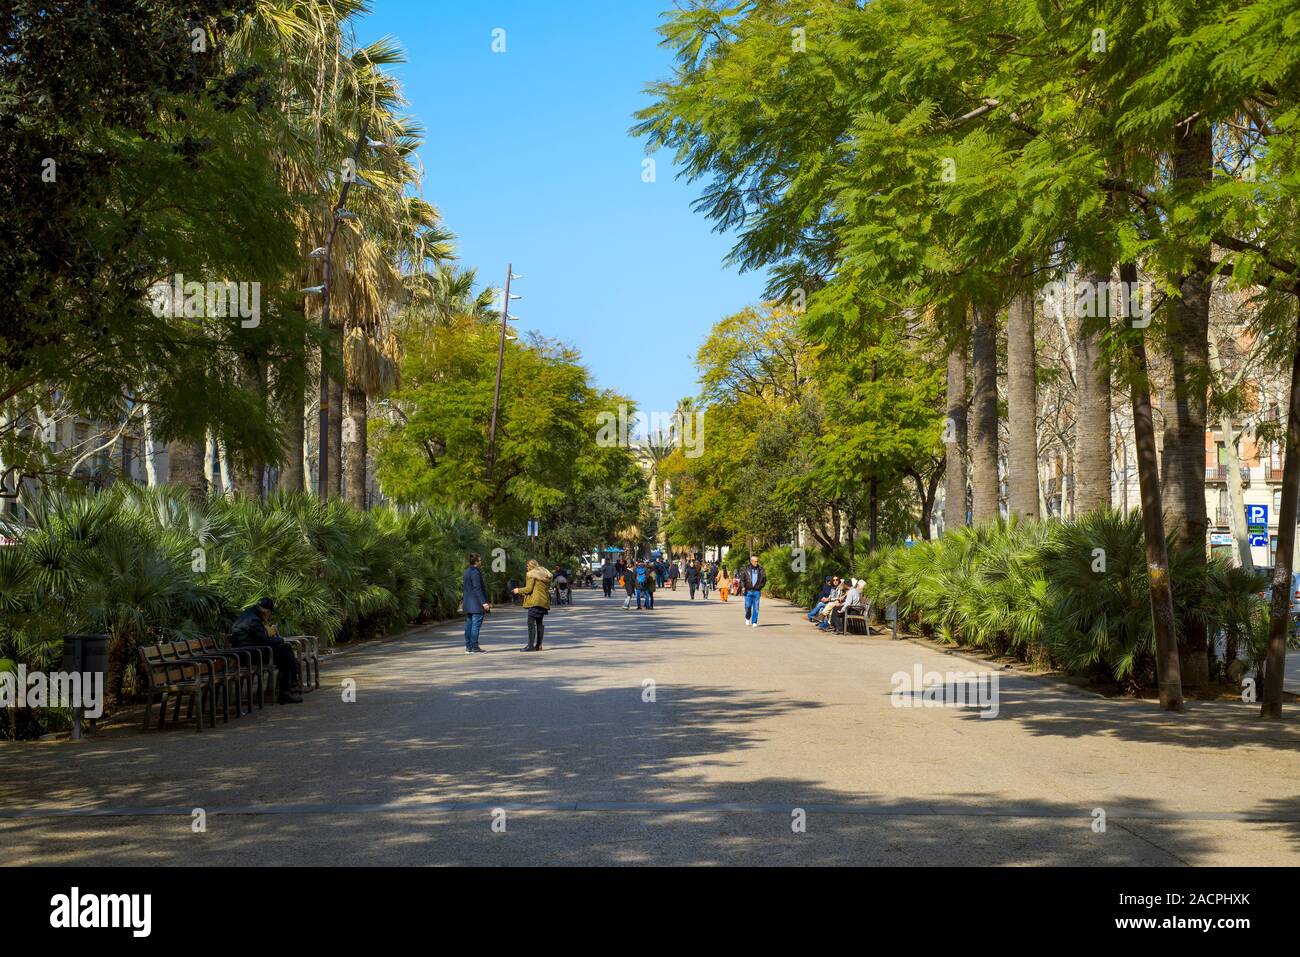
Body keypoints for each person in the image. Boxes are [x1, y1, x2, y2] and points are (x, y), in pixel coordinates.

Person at [230, 597, 301, 703]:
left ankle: (291, 685)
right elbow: (265, 641)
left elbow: (260, 639)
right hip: (249, 655)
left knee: (286, 650)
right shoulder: (254, 620)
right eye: (270, 613)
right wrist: (281, 639)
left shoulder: (249, 614)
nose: (270, 616)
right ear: (266, 611)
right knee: (286, 654)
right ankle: (287, 690)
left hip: (247, 652)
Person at [513, 560, 552, 651]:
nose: (526, 568)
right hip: (543, 601)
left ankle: (530, 646)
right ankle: (538, 645)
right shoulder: (545, 574)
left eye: (527, 566)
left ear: (530, 566)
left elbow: (529, 589)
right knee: (539, 623)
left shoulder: (531, 574)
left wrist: (518, 590)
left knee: (530, 623)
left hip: (535, 602)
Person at [461, 553, 491, 654]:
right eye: (480, 560)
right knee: (475, 625)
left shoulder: (466, 571)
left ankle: (468, 647)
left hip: (468, 603)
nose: (481, 562)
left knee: (469, 624)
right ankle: (474, 647)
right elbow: (477, 588)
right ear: (476, 562)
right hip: (476, 603)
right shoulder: (475, 572)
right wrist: (484, 603)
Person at [740, 554, 767, 627]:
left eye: (757, 561)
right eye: (755, 561)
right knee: (748, 606)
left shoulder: (761, 569)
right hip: (748, 591)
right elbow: (742, 579)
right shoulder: (746, 569)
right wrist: (743, 587)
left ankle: (754, 621)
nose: (756, 563)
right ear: (751, 561)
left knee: (756, 607)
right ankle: (747, 617)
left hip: (757, 591)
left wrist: (760, 586)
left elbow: (764, 579)